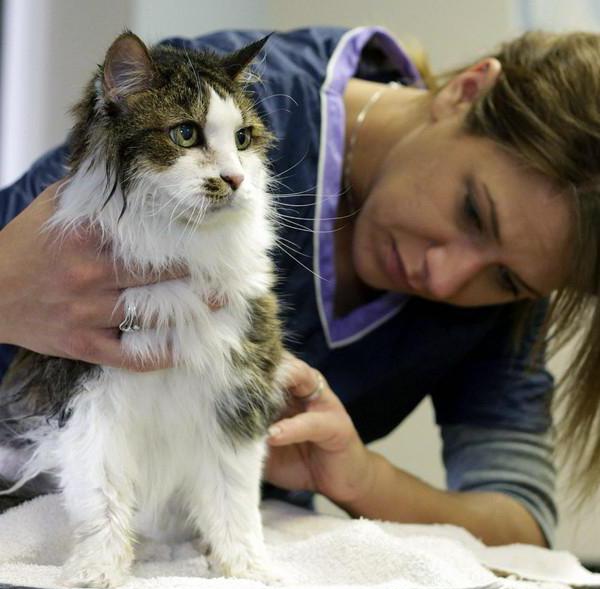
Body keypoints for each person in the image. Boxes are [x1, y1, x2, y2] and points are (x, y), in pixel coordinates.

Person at [0, 26, 596, 549]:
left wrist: (362, 479)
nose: (444, 276)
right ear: (468, 91)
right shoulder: (220, 108)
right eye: (472, 210)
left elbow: (522, 523)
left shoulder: (518, 278)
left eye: (506, 278)